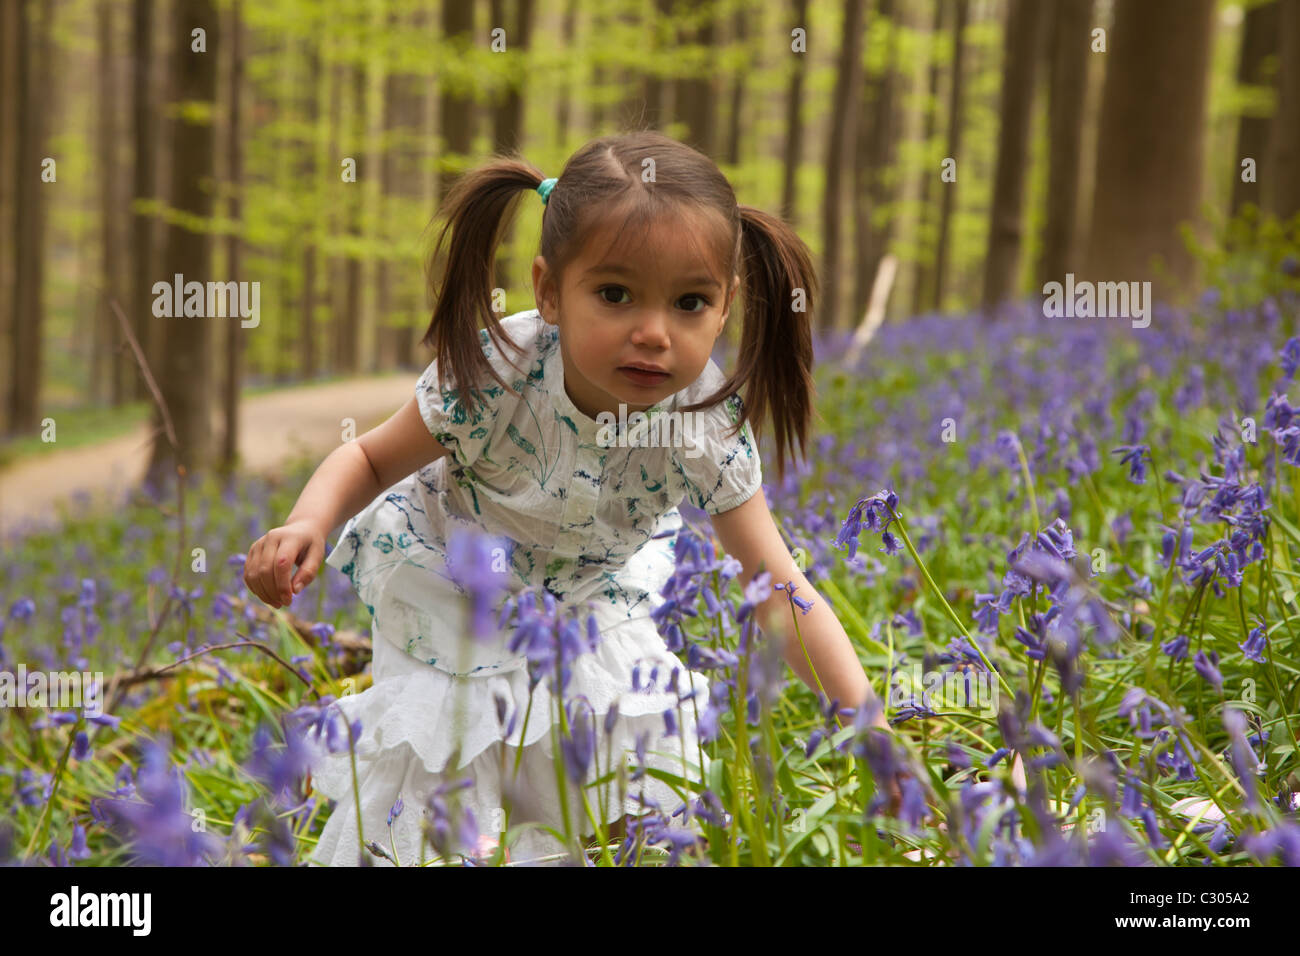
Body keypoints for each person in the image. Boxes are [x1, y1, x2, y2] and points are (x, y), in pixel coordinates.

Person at [243, 129, 892, 867]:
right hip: (457, 590)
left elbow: (779, 590)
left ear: (726, 307)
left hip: (590, 598)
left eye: (689, 302)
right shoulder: (498, 374)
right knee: (439, 766)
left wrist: (867, 727)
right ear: (549, 290)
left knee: (607, 774)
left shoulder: (705, 427)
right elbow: (367, 455)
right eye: (615, 295)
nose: (653, 333)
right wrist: (308, 522)